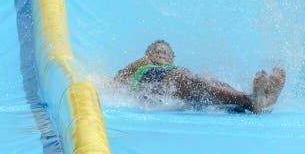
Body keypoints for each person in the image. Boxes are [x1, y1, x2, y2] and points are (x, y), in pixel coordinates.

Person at [114, 39, 286, 113]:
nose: (161, 54)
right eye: (157, 52)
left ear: (173, 58)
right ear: (149, 54)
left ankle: (257, 99)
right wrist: (144, 60)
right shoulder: (144, 65)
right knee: (190, 80)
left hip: (174, 80)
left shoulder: (176, 68)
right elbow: (118, 79)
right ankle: (251, 100)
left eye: (166, 53)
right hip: (154, 81)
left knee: (208, 82)